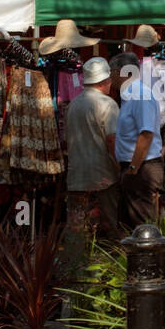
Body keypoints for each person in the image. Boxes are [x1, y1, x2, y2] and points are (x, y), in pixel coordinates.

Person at [64, 56, 120, 245]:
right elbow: (112, 140)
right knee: (106, 231)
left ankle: (74, 269)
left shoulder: (73, 105)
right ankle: (106, 269)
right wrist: (121, 168)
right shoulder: (108, 104)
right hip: (103, 177)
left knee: (77, 230)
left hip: (76, 178)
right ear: (105, 81)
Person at [111, 51, 163, 227]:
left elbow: (146, 134)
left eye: (112, 72)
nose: (110, 77)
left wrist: (133, 168)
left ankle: (149, 255)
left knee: (141, 225)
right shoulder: (129, 96)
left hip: (142, 167)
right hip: (135, 167)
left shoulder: (140, 94)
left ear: (121, 72)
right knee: (130, 224)